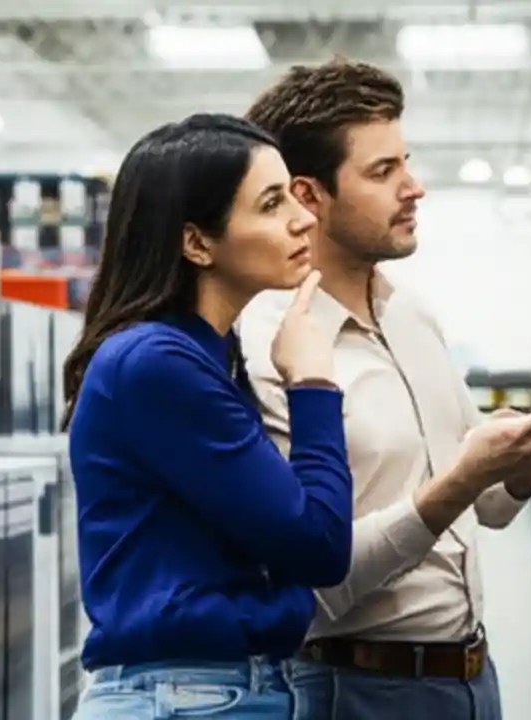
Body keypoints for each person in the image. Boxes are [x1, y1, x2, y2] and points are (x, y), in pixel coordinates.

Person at [236, 59, 531, 720]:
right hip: (353, 690)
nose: (415, 187)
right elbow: (318, 581)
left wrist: (528, 457)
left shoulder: (411, 315)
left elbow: (486, 506)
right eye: (383, 172)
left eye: (406, 162)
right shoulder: (267, 348)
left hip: (470, 680)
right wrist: (462, 479)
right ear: (309, 198)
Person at [61, 113, 353, 718]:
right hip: (187, 697)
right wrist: (314, 382)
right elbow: (319, 545)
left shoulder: (203, 356)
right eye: (271, 204)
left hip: (208, 690)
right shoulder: (155, 363)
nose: (303, 218)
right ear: (197, 242)